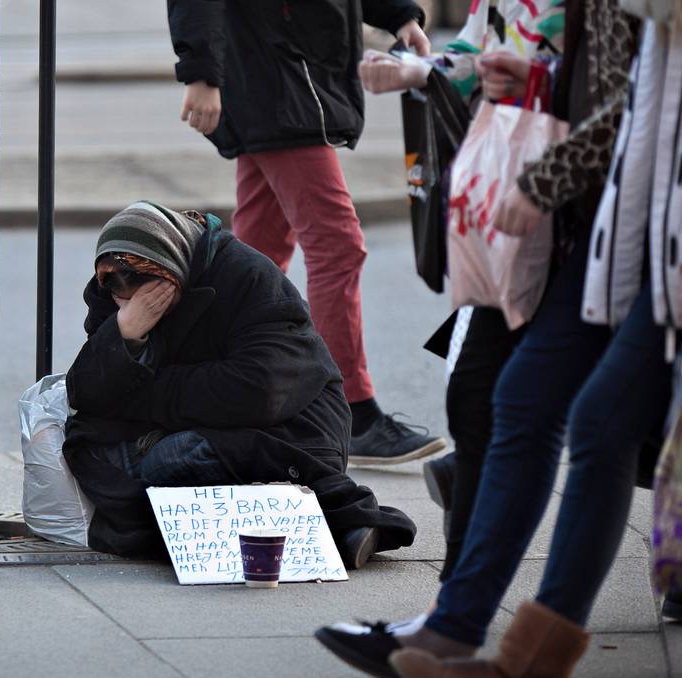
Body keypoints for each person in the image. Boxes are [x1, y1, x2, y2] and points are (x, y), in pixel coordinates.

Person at [316, 0, 644, 673]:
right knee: (506, 403)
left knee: (592, 425)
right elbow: (619, 99)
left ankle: (484, 637)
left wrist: (544, 165)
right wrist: (418, 71)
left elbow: (633, 110)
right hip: (550, 219)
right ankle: (457, 626)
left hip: (589, 222)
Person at [165, 0, 445, 466]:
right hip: (277, 81)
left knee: (255, 258)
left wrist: (398, 15)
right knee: (337, 247)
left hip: (287, 76)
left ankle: (224, 397)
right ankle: (349, 411)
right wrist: (200, 72)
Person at [63, 201, 417, 568]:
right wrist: (125, 333)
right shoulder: (114, 288)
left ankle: (337, 517)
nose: (135, 304)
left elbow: (259, 390)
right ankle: (276, 529)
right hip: (183, 421)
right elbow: (85, 393)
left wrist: (141, 392)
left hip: (289, 431)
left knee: (170, 461)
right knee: (89, 450)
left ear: (173, 271)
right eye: (123, 300)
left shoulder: (248, 276)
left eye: (152, 298)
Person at [358, 0, 564, 593]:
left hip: (574, 222)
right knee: (477, 394)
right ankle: (456, 606)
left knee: (604, 422)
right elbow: (474, 52)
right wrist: (417, 70)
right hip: (503, 218)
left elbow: (601, 91)